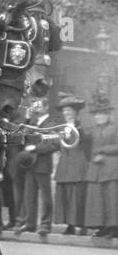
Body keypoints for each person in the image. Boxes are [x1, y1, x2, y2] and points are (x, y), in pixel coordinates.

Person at [15, 95, 60, 239]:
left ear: (46, 107)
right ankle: (30, 223)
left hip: (43, 165)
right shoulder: (32, 122)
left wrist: (35, 147)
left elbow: (54, 144)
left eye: (39, 105)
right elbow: (22, 136)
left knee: (46, 197)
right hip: (30, 165)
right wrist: (27, 119)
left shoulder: (52, 123)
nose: (36, 108)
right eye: (35, 106)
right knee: (29, 196)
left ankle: (45, 225)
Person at [84, 93, 118, 240]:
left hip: (111, 169)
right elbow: (84, 143)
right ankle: (102, 227)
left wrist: (102, 151)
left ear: (108, 115)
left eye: (101, 114)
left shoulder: (115, 128)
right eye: (96, 114)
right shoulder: (93, 130)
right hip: (96, 170)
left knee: (112, 199)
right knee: (98, 200)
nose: (98, 117)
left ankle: (114, 228)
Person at [54, 95, 90, 235]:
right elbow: (56, 145)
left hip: (78, 165)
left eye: (69, 110)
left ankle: (82, 225)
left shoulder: (81, 126)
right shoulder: (61, 127)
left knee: (78, 196)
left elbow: (87, 141)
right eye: (64, 110)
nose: (66, 113)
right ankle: (70, 225)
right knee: (66, 196)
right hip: (65, 165)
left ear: (75, 112)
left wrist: (76, 129)